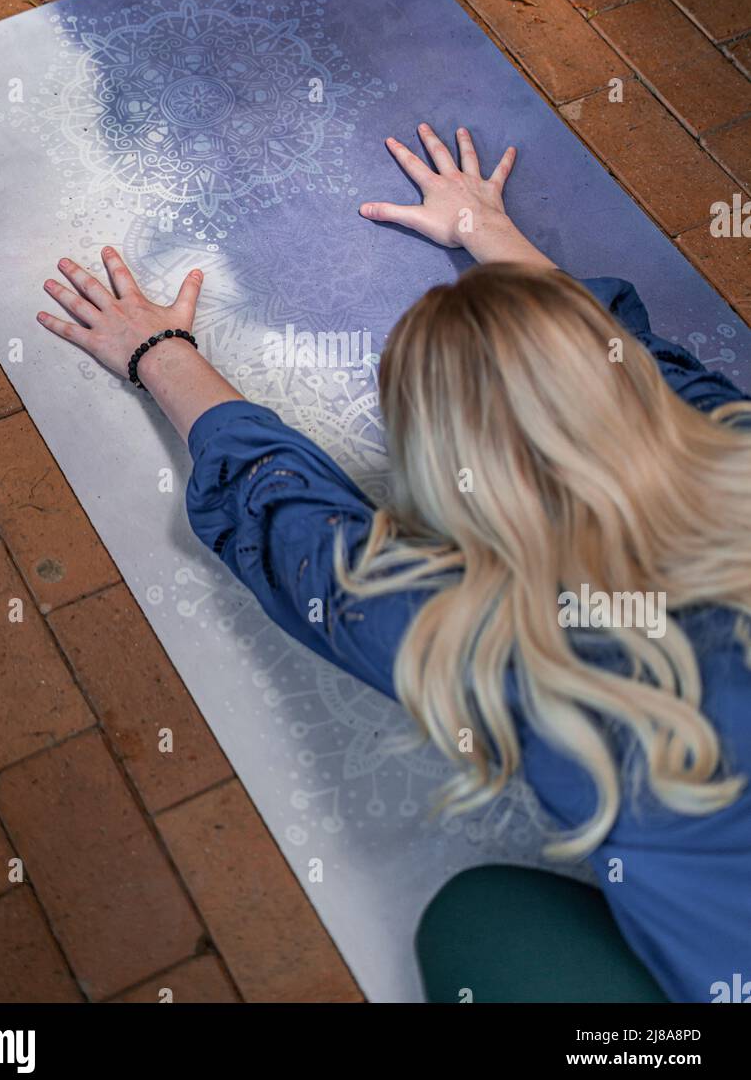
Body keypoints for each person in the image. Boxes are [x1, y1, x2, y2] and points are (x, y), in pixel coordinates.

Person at [37, 123, 751, 1003]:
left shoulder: (489, 641)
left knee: (477, 925)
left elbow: (295, 535)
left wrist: (159, 353)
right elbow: (643, 373)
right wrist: (485, 232)